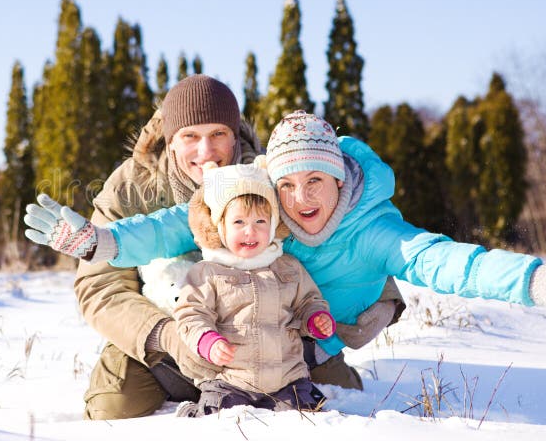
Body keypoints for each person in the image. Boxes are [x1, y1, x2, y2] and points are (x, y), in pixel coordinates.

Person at [27, 110, 546, 395]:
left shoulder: (376, 232)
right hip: (229, 341)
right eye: (288, 185)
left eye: (316, 180)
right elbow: (174, 225)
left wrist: (544, 282)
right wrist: (99, 241)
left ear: (340, 179)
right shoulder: (265, 203)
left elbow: (448, 262)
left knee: (341, 401)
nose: (301, 199)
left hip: (309, 350)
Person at [25, 79, 403, 419]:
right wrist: (167, 336)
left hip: (267, 336)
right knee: (115, 406)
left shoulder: (265, 175)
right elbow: (100, 289)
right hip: (166, 339)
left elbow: (332, 228)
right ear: (170, 141)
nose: (206, 150)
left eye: (218, 133)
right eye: (190, 135)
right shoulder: (129, 188)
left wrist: (382, 292)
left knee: (342, 397)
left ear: (234, 136)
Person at [173, 158, 335, 417]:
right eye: (239, 222)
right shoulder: (208, 272)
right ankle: (193, 413)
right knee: (219, 416)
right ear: (221, 226)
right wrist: (207, 341)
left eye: (260, 221)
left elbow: (309, 301)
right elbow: (191, 314)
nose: (250, 231)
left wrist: (315, 318)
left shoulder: (288, 267)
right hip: (230, 380)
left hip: (287, 379)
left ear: (272, 225)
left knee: (308, 415)